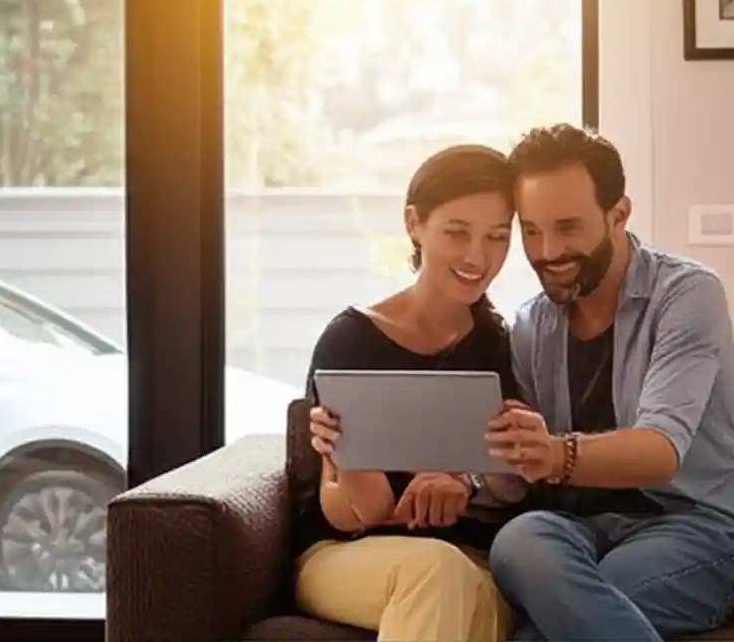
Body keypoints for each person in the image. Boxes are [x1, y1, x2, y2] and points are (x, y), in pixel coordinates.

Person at [484, 123, 734, 641]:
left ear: (618, 215)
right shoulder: (530, 326)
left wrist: (556, 454)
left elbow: (660, 450)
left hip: (699, 523)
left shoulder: (687, 296)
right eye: (531, 230)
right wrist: (462, 477)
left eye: (568, 227)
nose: (547, 251)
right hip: (579, 527)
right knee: (518, 542)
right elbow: (523, 464)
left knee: (572, 607)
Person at [296, 144, 529, 642]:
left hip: (472, 562)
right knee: (437, 572)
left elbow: (515, 483)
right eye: (456, 232)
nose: (478, 256)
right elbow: (356, 513)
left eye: (496, 237)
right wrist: (348, 452)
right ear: (414, 224)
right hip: (349, 556)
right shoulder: (352, 339)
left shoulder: (499, 344)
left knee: (462, 583)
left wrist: (462, 481)